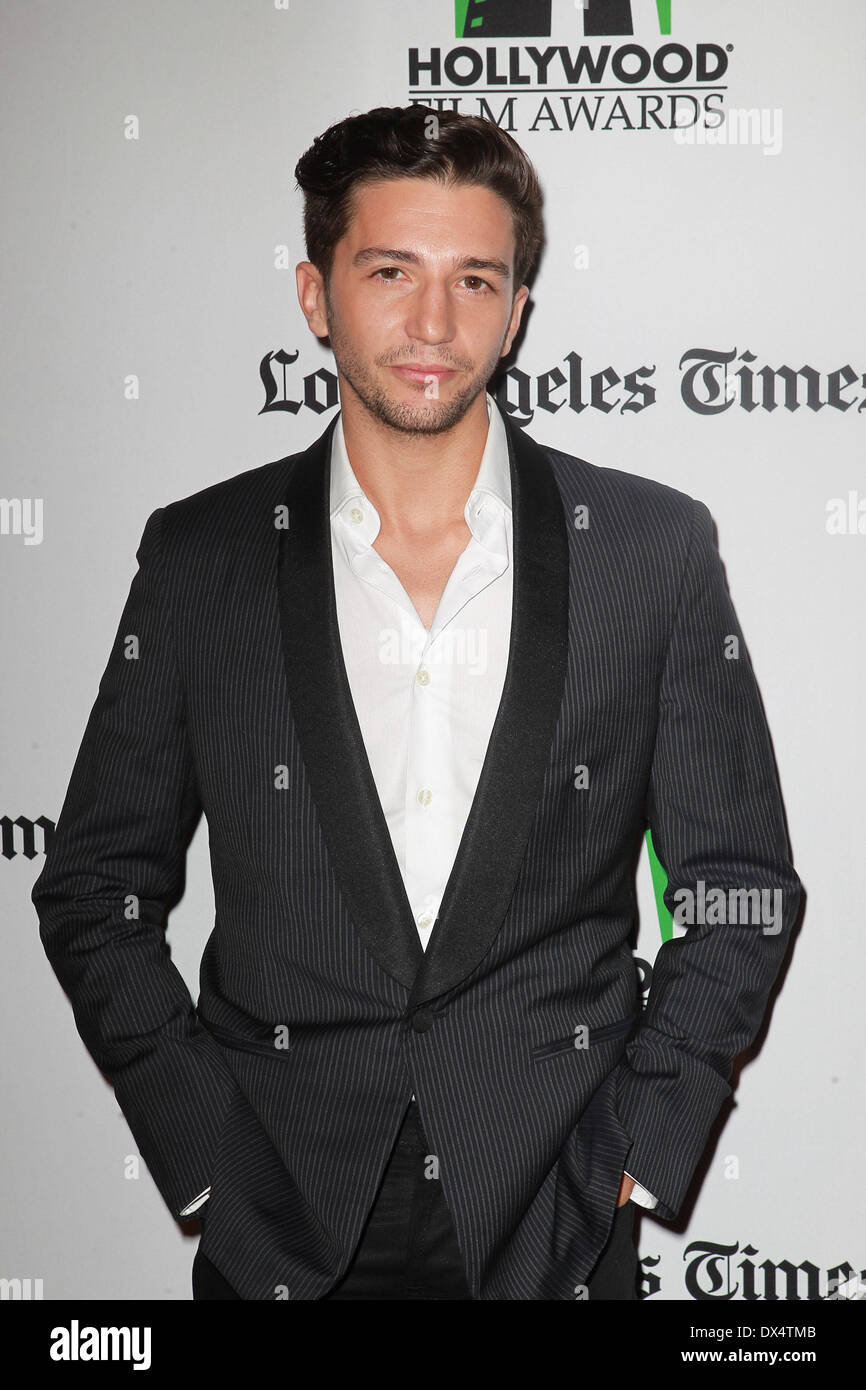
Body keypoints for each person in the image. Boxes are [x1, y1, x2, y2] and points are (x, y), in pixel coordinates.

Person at [31, 104, 801, 1301]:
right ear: (314, 294)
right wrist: (207, 1165)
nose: (434, 324)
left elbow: (738, 882)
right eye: (390, 272)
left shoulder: (647, 549)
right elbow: (94, 888)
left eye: (475, 280)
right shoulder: (203, 559)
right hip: (280, 1218)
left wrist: (634, 1156)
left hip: (557, 1213)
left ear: (516, 308)